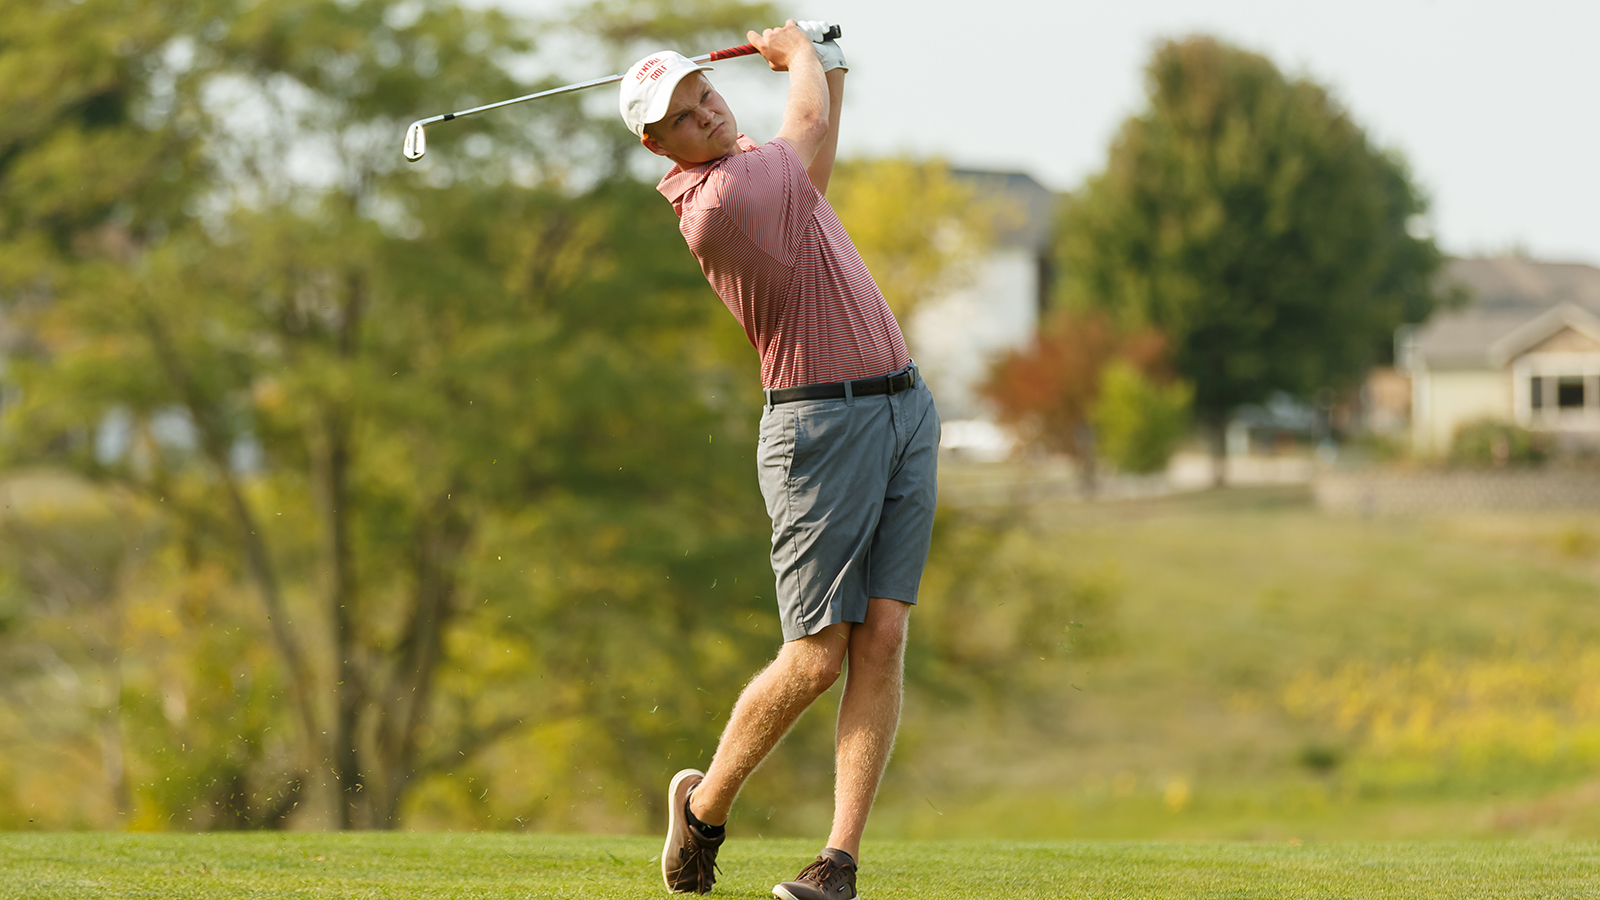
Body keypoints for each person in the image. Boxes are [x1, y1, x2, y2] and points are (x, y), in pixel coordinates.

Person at [619, 19, 940, 900]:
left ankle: (836, 864)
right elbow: (804, 128)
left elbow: (817, 142)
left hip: (902, 407)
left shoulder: (757, 174)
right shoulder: (722, 202)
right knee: (816, 656)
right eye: (686, 118)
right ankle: (706, 809)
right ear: (658, 147)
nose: (711, 115)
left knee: (883, 636)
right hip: (819, 433)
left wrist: (827, 63)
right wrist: (799, 54)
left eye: (707, 96)